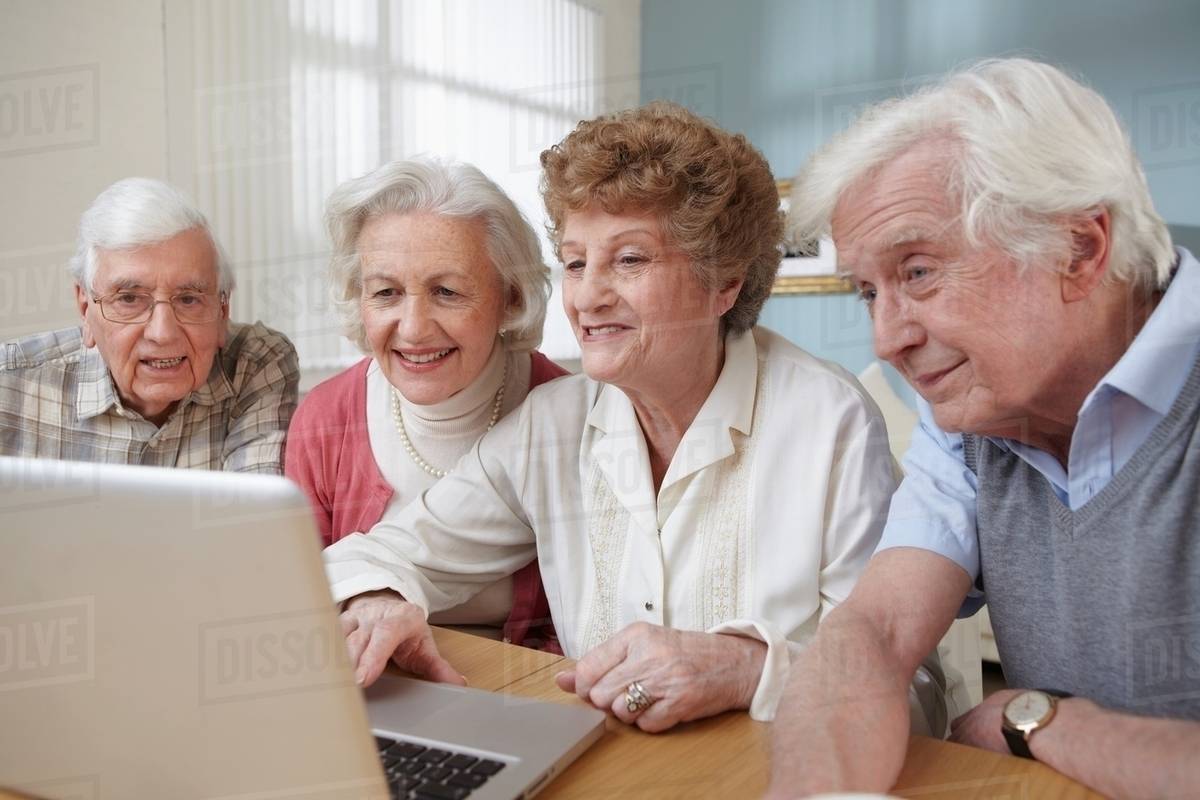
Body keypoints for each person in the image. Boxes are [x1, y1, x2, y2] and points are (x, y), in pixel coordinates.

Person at [322, 102, 900, 732]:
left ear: (724, 282)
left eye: (629, 259)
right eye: (574, 262)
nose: (588, 296)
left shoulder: (830, 422)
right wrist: (379, 598)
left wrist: (748, 669)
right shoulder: (552, 423)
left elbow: (912, 687)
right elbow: (389, 553)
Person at [767, 58, 1200, 799]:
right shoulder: (975, 418)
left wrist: (1039, 722)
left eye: (919, 272)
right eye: (868, 291)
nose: (885, 339)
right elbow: (870, 635)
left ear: (1079, 249)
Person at [285, 159, 568, 649]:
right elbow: (300, 605)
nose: (413, 328)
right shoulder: (324, 421)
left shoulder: (567, 416)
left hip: (530, 694)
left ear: (510, 297)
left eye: (447, 291)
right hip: (379, 689)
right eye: (386, 292)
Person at [0, 178, 298, 473]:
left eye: (189, 299)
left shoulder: (254, 365)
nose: (162, 333)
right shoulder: (9, 386)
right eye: (129, 299)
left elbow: (254, 518)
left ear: (223, 310)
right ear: (85, 308)